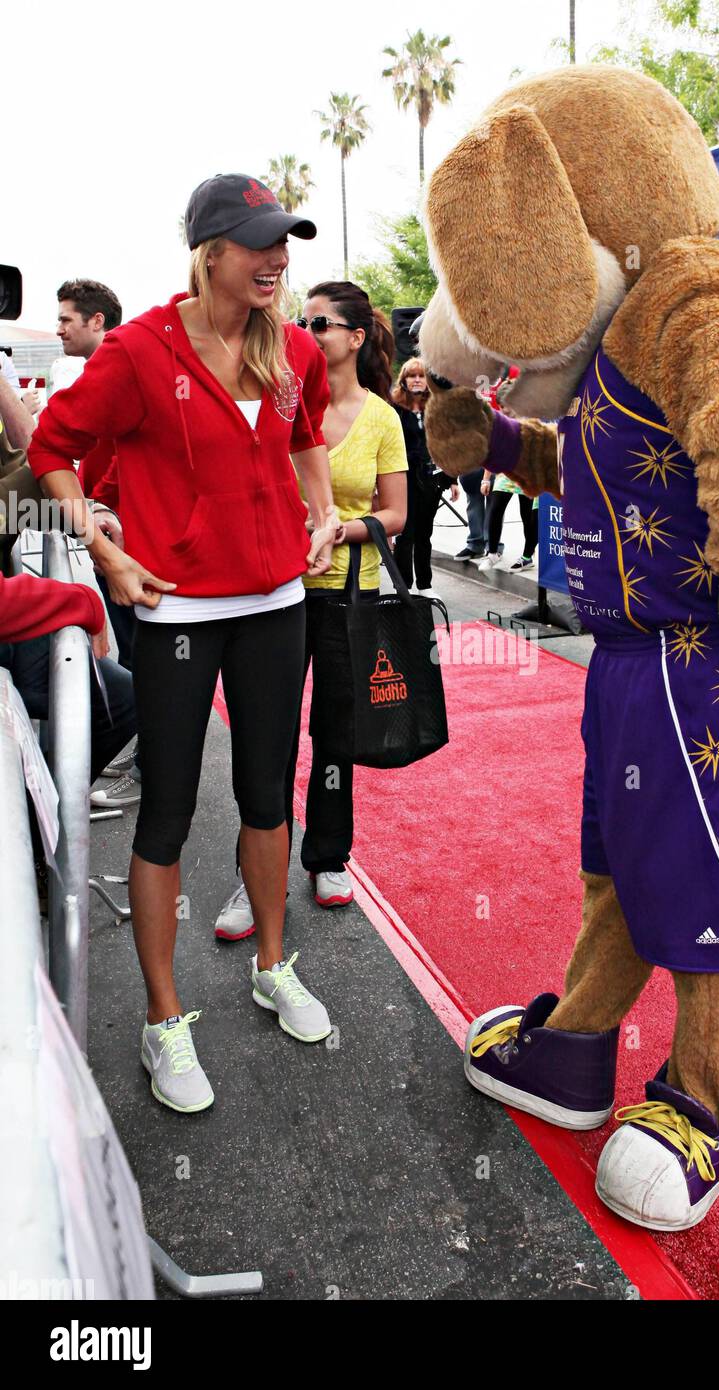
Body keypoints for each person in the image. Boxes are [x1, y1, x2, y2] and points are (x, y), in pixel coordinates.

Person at [29, 172, 342, 1114]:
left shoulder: (292, 348)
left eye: (285, 241)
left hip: (278, 599)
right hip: (174, 605)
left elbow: (307, 436)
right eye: (258, 242)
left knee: (264, 788)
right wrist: (105, 553)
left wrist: (322, 511)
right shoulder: (135, 351)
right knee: (165, 807)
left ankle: (274, 966)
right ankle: (163, 1020)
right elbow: (52, 449)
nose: (277, 259)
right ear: (209, 252)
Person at [214, 281, 407, 942]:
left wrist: (334, 530)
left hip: (352, 592)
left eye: (320, 323)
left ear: (355, 337)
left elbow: (396, 515)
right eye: (302, 320)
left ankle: (328, 856)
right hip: (271, 593)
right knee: (265, 737)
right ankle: (254, 872)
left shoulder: (384, 417)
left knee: (336, 733)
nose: (306, 330)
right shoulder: (277, 400)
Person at [47, 279, 141, 805]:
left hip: (124, 532)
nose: (59, 328)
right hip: (110, 527)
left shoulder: (123, 372)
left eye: (66, 319)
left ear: (97, 321)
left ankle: (153, 767)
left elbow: (128, 458)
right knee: (133, 651)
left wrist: (101, 509)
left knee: (141, 656)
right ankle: (146, 754)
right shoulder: (102, 373)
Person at [391, 357, 456, 598]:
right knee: (405, 532)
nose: (417, 380)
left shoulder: (435, 407)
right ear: (404, 380)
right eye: (412, 376)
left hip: (430, 479)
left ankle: (424, 585)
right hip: (402, 476)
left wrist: (452, 479)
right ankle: (403, 585)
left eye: (421, 376)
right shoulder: (394, 408)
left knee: (425, 533)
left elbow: (444, 444)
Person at [478, 470, 539, 572]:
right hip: (505, 472)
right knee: (495, 509)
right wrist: (486, 480)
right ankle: (492, 554)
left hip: (528, 473)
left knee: (527, 515)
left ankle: (527, 557)